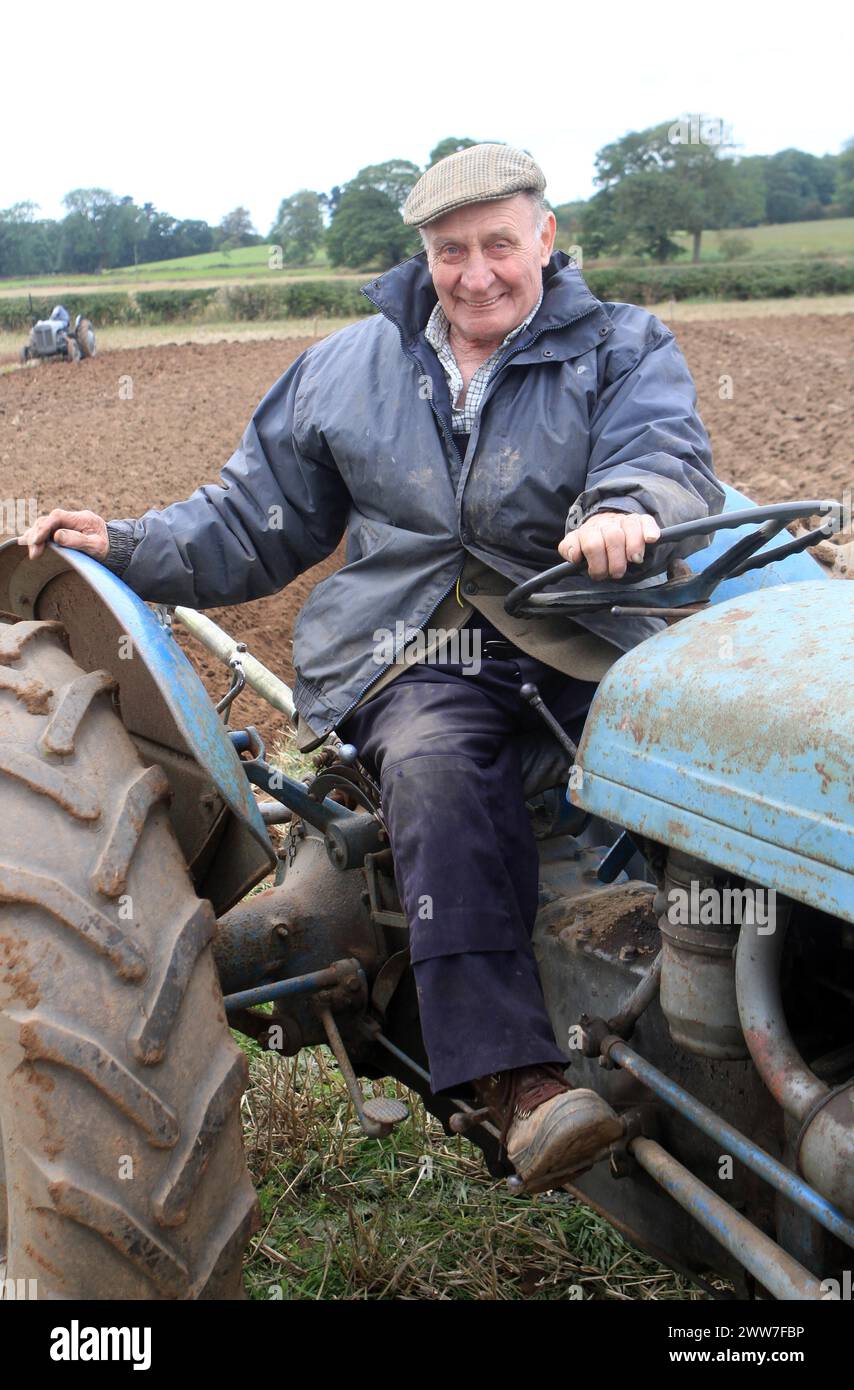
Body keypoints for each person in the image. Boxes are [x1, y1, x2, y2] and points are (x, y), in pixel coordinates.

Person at [20, 144, 724, 1185]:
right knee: (437, 762)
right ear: (424, 256)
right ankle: (514, 1080)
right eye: (451, 251)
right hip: (415, 648)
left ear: (544, 237)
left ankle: (727, 997)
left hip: (587, 630)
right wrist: (124, 544)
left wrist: (627, 508)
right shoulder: (350, 366)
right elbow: (249, 522)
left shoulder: (621, 347)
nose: (476, 272)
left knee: (724, 744)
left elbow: (663, 455)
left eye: (497, 244)